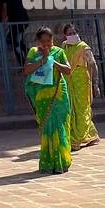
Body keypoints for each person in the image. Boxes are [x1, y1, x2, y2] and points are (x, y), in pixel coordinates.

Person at [22, 26, 74, 174]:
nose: (45, 44)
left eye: (48, 41)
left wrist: (53, 61)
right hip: (42, 95)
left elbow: (68, 70)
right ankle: (48, 162)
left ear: (53, 40)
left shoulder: (59, 52)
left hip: (58, 94)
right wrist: (42, 60)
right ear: (37, 41)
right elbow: (26, 70)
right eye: (42, 41)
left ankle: (61, 161)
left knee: (59, 125)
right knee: (47, 128)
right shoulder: (33, 52)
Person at [59, 22, 101, 149]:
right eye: (69, 33)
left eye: (74, 33)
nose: (72, 35)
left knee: (82, 109)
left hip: (81, 82)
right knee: (71, 109)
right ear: (65, 35)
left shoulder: (84, 47)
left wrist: (96, 83)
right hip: (68, 81)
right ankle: (91, 134)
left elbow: (93, 65)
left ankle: (78, 139)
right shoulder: (64, 46)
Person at [0, 0, 29, 64]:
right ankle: (32, 60)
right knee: (20, 42)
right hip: (24, 20)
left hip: (16, 22)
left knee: (16, 44)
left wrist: (3, 22)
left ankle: (23, 64)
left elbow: (5, 8)